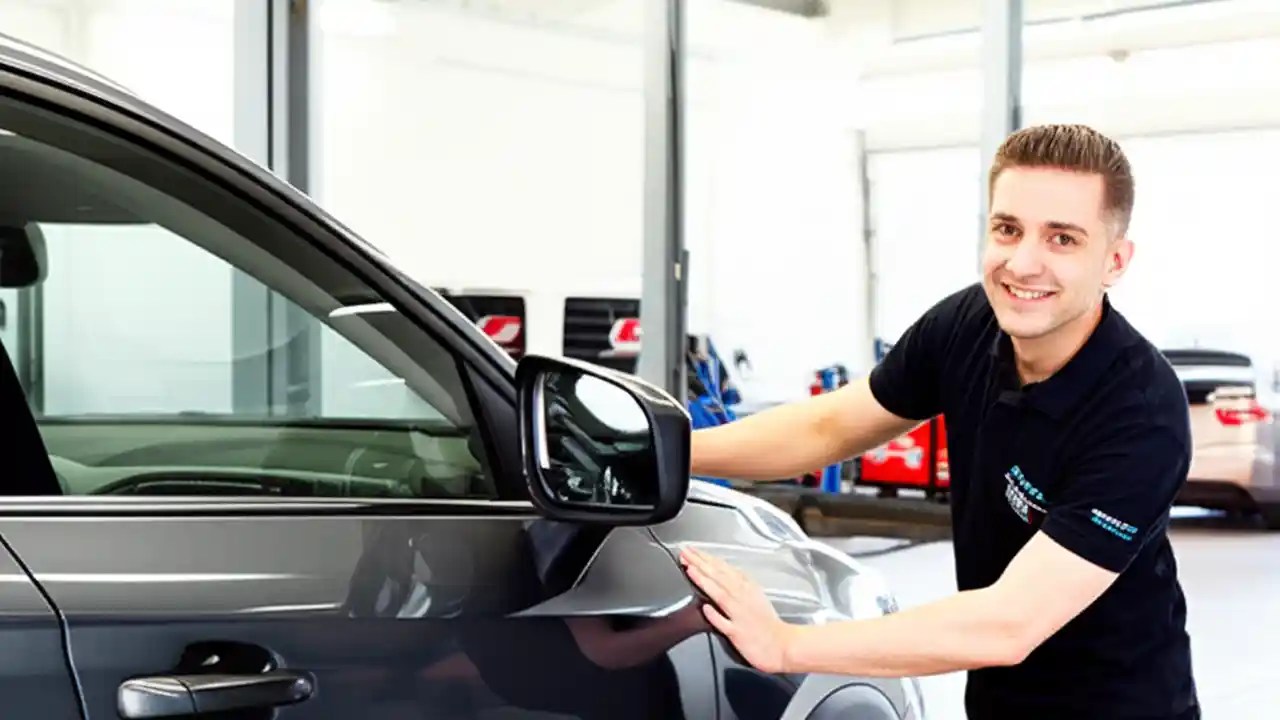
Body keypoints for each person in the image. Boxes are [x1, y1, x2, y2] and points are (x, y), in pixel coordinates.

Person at [680, 123, 1199, 720]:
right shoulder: (967, 324)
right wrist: (669, 451)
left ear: (1114, 260)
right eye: (1008, 229)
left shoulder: (1140, 412)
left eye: (1062, 239)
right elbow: (827, 428)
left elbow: (1009, 622)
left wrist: (788, 644)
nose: (1023, 263)